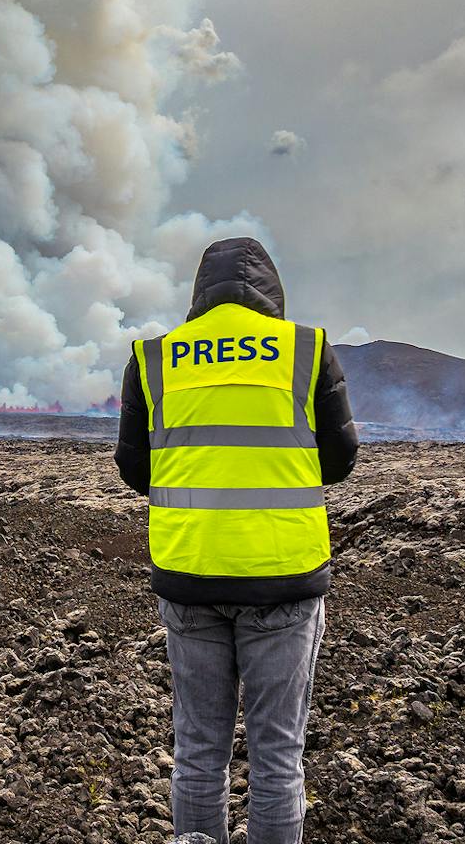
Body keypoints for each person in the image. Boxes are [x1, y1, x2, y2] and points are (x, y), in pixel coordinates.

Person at [114, 237, 359, 844]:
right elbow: (340, 458)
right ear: (271, 290)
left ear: (199, 291)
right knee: (277, 758)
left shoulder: (154, 358)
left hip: (190, 573)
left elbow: (134, 468)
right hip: (283, 575)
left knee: (198, 752)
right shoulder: (306, 349)